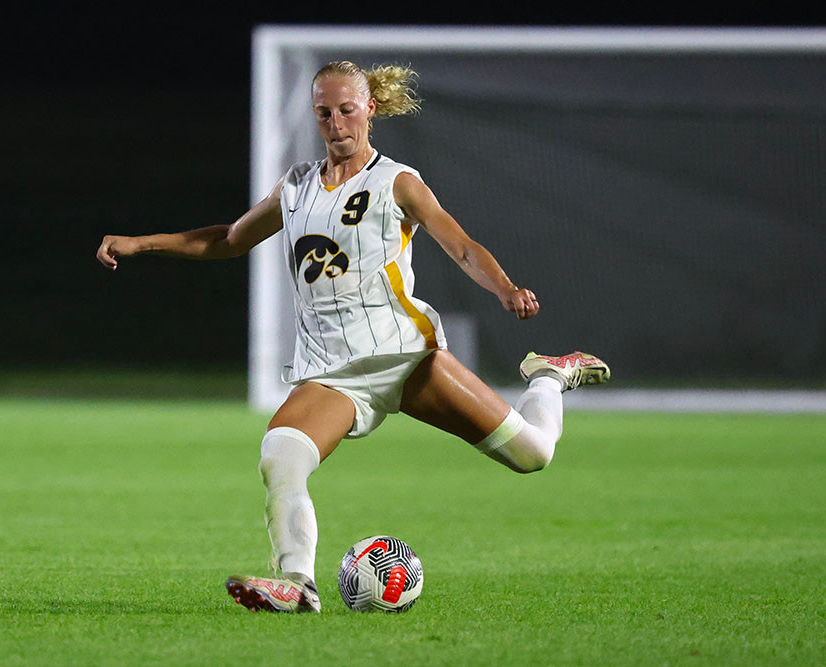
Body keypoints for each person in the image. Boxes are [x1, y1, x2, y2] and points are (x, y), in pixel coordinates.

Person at [95, 60, 610, 613]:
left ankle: (551, 378)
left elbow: (460, 246)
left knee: (532, 455)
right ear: (314, 115)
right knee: (281, 455)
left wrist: (505, 288)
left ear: (369, 109)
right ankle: (297, 584)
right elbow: (228, 239)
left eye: (346, 109)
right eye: (324, 112)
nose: (336, 122)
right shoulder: (294, 186)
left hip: (405, 359)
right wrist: (141, 243)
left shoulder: (397, 181)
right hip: (333, 372)